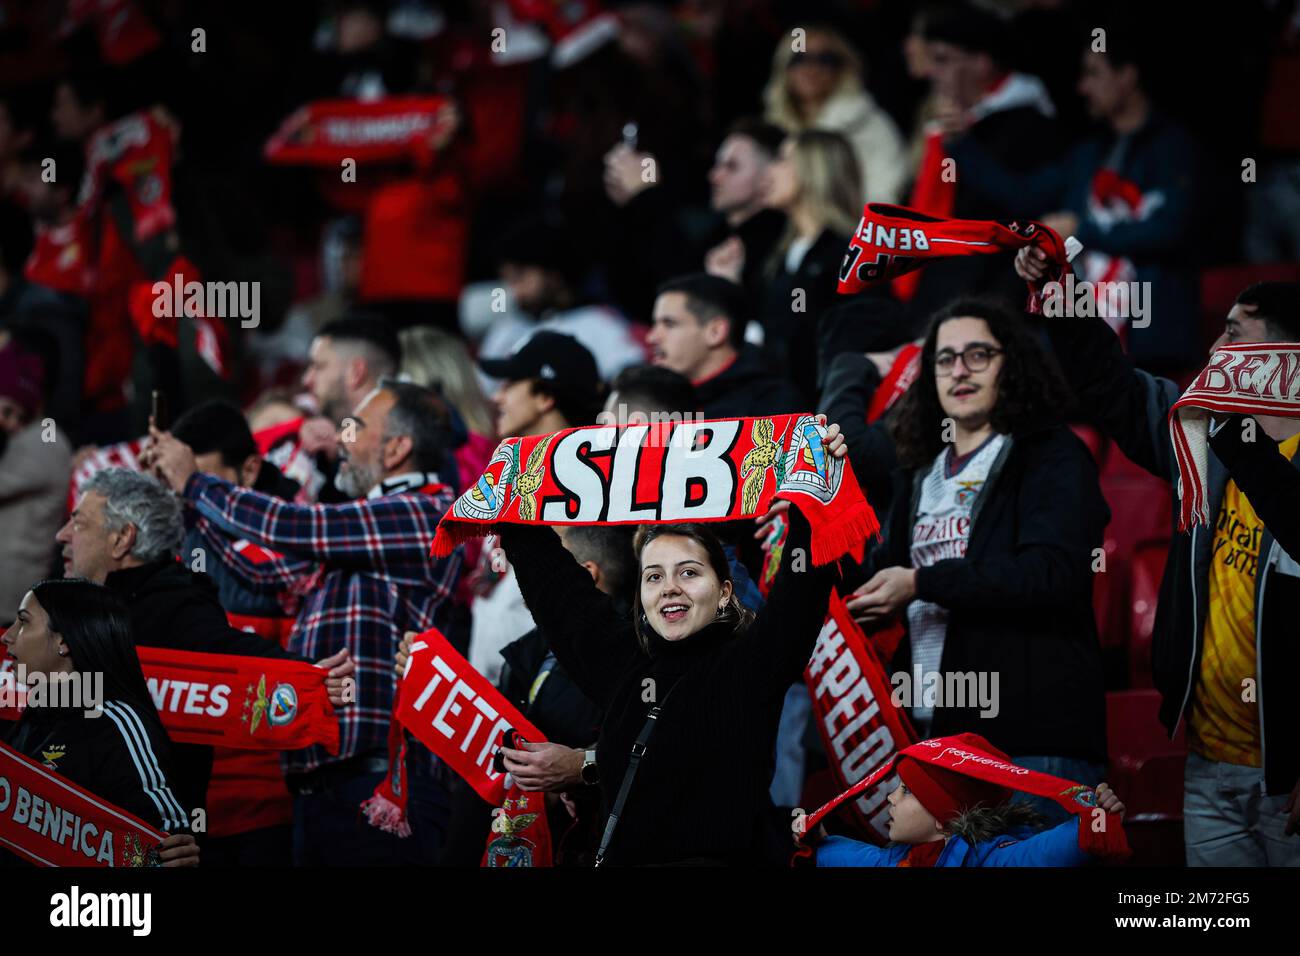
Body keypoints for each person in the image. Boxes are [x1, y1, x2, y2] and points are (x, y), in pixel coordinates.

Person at [1021, 248, 1300, 864]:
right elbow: (1110, 386)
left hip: (1291, 776)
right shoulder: (1203, 441)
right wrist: (1063, 296)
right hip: (1210, 765)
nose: (1214, 350)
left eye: (1233, 332)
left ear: (1281, 355)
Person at [497, 417, 848, 865]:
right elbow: (559, 594)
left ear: (724, 591)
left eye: (689, 573)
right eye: (654, 576)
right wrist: (513, 493)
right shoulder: (624, 663)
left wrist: (816, 489)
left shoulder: (752, 665)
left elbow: (802, 590)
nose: (669, 588)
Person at [146, 379, 462, 866]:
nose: (342, 441)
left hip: (385, 791)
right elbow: (266, 562)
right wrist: (186, 495)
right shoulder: (356, 531)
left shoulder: (433, 513)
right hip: (319, 791)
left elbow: (296, 528)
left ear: (399, 447)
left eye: (356, 429)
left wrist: (198, 482)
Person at [846, 298, 1110, 821]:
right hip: (935, 737)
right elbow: (885, 574)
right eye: (944, 359)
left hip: (1030, 738)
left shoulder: (1051, 454)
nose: (959, 370)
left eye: (978, 355)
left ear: (1010, 363)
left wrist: (921, 582)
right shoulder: (918, 469)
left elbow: (1051, 575)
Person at [55, 467, 353, 823]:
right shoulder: (63, 609)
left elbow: (230, 650)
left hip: (149, 842)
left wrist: (306, 677)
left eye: (78, 522)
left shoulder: (173, 606)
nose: (61, 535)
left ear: (122, 538)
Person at [943, 21, 1202, 370]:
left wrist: (1080, 228)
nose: (1083, 87)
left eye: (1094, 74)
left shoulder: (1173, 148)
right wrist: (963, 145)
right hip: (1077, 328)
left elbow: (1169, 230)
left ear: (1127, 76)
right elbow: (1023, 195)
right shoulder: (1087, 153)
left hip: (1151, 335)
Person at [169, 400, 305, 866]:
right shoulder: (162, 561)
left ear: (248, 470)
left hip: (266, 812)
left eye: (200, 481)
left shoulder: (289, 562)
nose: (188, 498)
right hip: (182, 814)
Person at [2, 578, 198, 866]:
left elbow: (168, 841)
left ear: (64, 641)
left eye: (23, 622)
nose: (7, 635)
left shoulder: (118, 722)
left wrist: (175, 853)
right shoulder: (37, 711)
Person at [469, 331, 604, 686]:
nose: (497, 396)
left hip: (544, 703)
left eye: (511, 384)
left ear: (545, 396)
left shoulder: (584, 491)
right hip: (491, 699)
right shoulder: (510, 478)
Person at [813, 733, 1128, 867]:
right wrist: (818, 838)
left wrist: (1098, 814)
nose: (890, 797)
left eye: (907, 791)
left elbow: (1050, 851)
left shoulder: (994, 859)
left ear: (942, 816)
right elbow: (851, 856)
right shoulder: (902, 860)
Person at [711, 129, 860, 402]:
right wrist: (730, 287)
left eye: (782, 160)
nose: (769, 172)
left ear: (813, 170)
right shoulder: (779, 257)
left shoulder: (849, 254)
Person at [604, 118, 789, 319]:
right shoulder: (717, 234)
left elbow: (686, 292)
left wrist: (645, 194)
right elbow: (643, 289)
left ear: (768, 177)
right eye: (717, 164)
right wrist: (630, 204)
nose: (714, 175)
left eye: (732, 166)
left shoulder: (774, 245)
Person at [477, 216, 646, 383]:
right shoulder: (505, 330)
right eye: (508, 281)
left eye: (519, 277)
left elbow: (631, 388)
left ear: (553, 274)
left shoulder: (598, 323)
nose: (515, 292)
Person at [762, 23, 906, 205]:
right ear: (784, 67)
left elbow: (886, 195)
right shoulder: (775, 129)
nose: (812, 69)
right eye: (799, 58)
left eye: (825, 59)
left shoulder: (869, 124)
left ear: (842, 68)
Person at [648, 273, 804, 420]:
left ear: (716, 332)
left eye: (669, 324)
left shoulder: (773, 405)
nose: (652, 337)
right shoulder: (649, 398)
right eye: (655, 324)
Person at [0, 338, 70, 624]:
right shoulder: (35, 436)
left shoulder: (43, 440)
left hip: (9, 596)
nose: (11, 423)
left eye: (16, 413)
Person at [300, 313, 402, 502]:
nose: (306, 379)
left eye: (319, 366)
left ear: (356, 372)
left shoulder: (416, 434)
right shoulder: (324, 439)